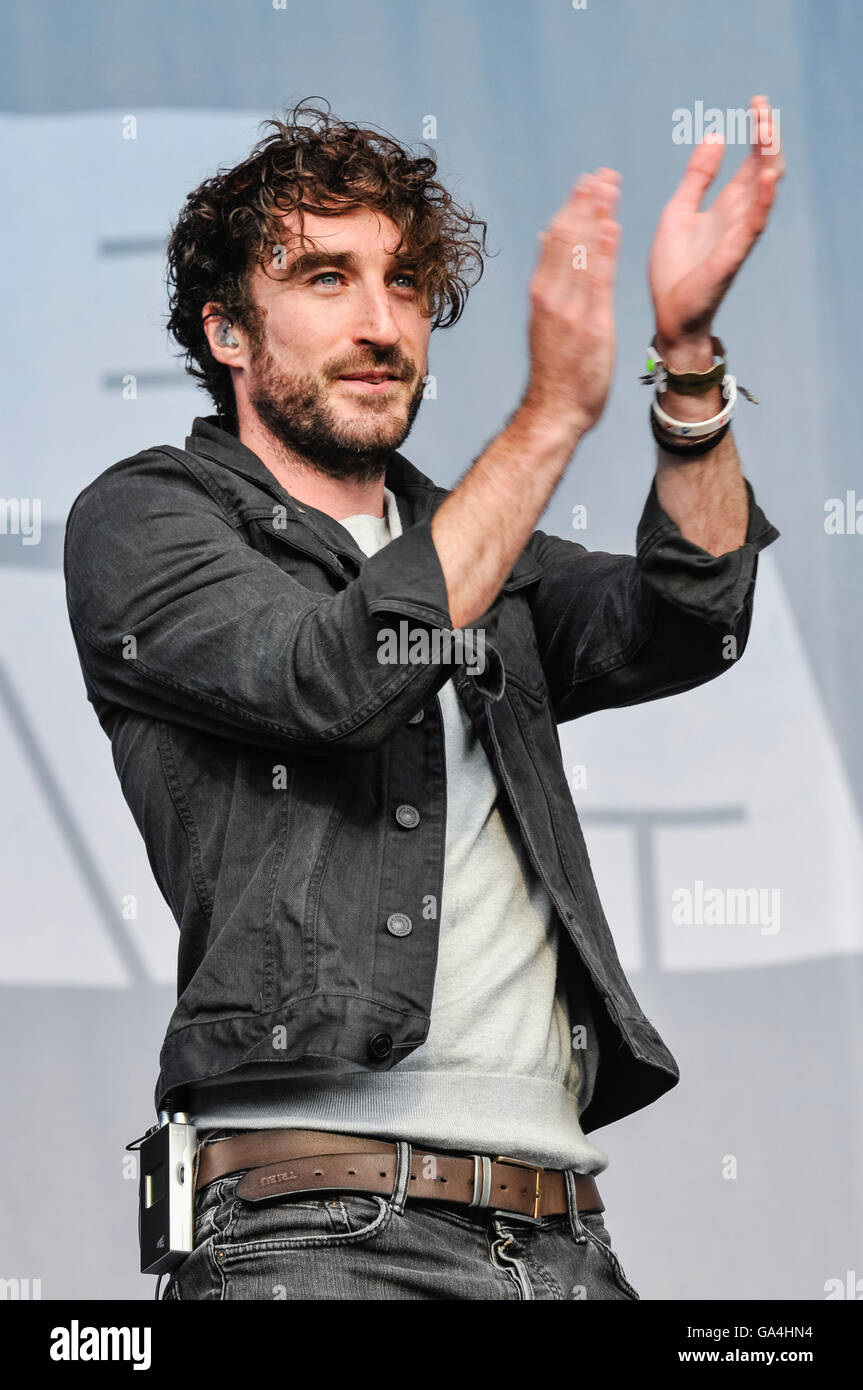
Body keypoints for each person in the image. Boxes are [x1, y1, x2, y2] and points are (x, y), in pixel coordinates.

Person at [64, 96, 783, 1300]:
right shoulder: (145, 518)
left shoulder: (475, 546)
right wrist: (552, 411)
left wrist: (688, 357)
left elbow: (689, 620)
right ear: (227, 330)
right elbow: (333, 681)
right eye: (328, 279)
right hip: (314, 1231)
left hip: (558, 1234)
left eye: (404, 285)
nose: (380, 321)